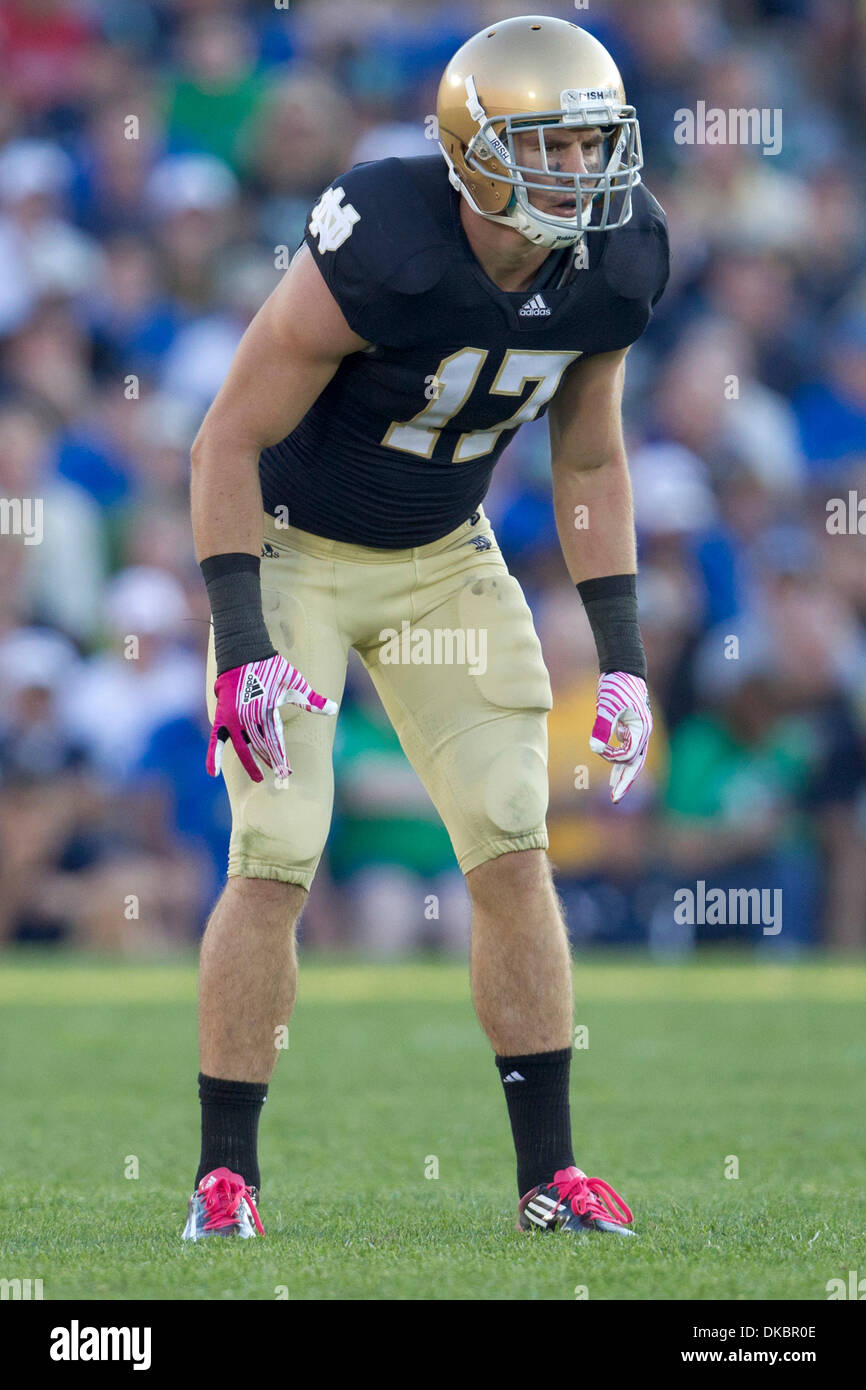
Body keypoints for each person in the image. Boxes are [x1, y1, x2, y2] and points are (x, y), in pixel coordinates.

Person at [184, 15, 668, 1242]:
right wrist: (241, 638)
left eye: (591, 144)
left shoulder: (616, 255)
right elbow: (225, 439)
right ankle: (224, 1175)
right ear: (475, 149)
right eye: (550, 147)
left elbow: (592, 458)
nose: (582, 173)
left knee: (512, 842)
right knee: (279, 846)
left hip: (444, 557)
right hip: (294, 553)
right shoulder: (383, 237)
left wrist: (620, 657)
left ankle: (548, 1176)